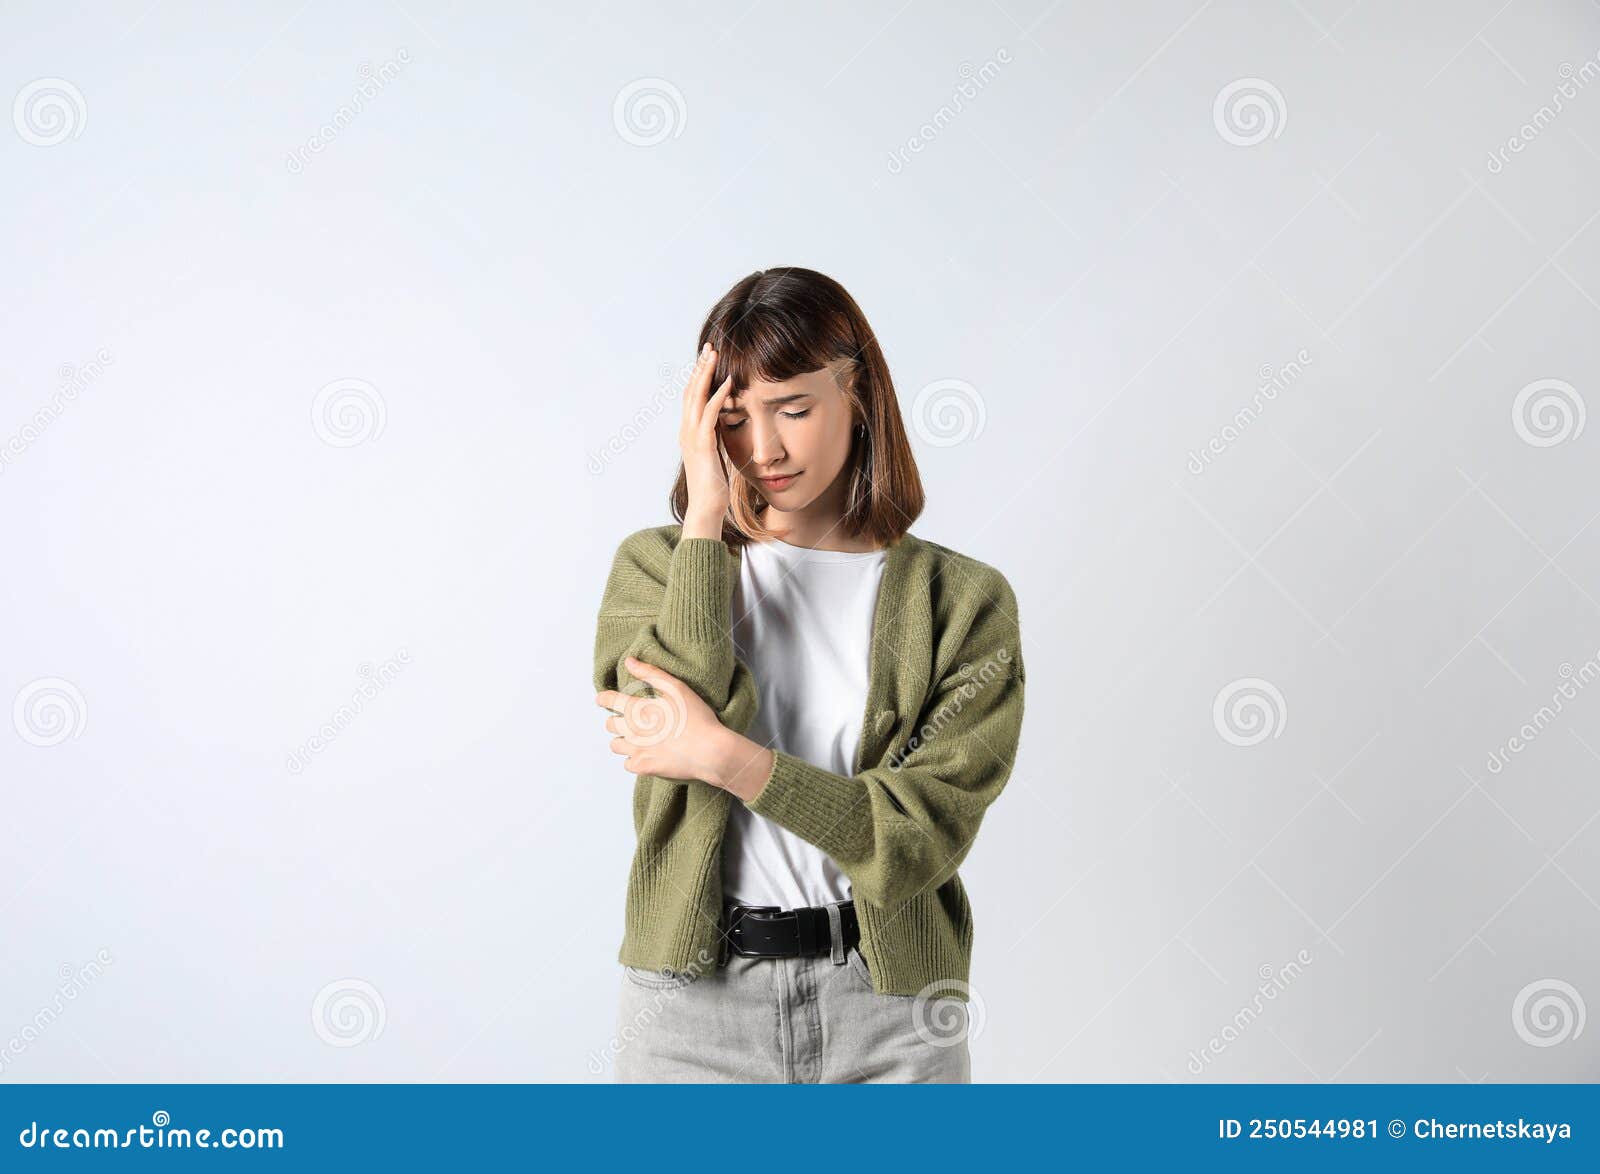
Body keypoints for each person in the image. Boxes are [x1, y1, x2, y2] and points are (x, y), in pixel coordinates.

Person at [592, 267, 1026, 1083]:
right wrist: (707, 524)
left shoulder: (961, 603)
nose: (765, 449)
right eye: (731, 420)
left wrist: (727, 759)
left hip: (892, 1010)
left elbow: (915, 837)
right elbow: (656, 722)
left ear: (856, 394)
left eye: (793, 408)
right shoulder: (656, 569)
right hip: (690, 1009)